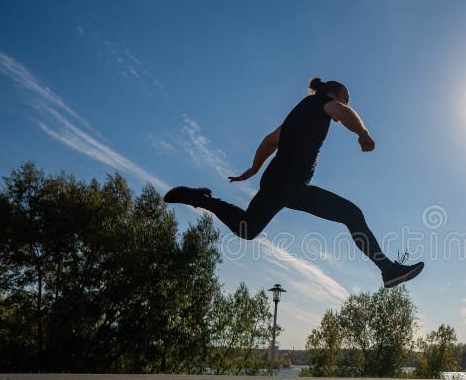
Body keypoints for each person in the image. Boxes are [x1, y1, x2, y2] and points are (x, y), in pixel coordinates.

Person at [164, 77, 424, 288]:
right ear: (333, 94)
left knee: (351, 213)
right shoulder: (320, 102)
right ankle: (200, 199)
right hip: (282, 182)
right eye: (346, 97)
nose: (347, 103)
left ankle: (388, 270)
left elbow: (270, 140)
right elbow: (342, 112)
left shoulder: (302, 112)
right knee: (248, 229)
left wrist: (254, 168)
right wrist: (364, 134)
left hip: (294, 187)